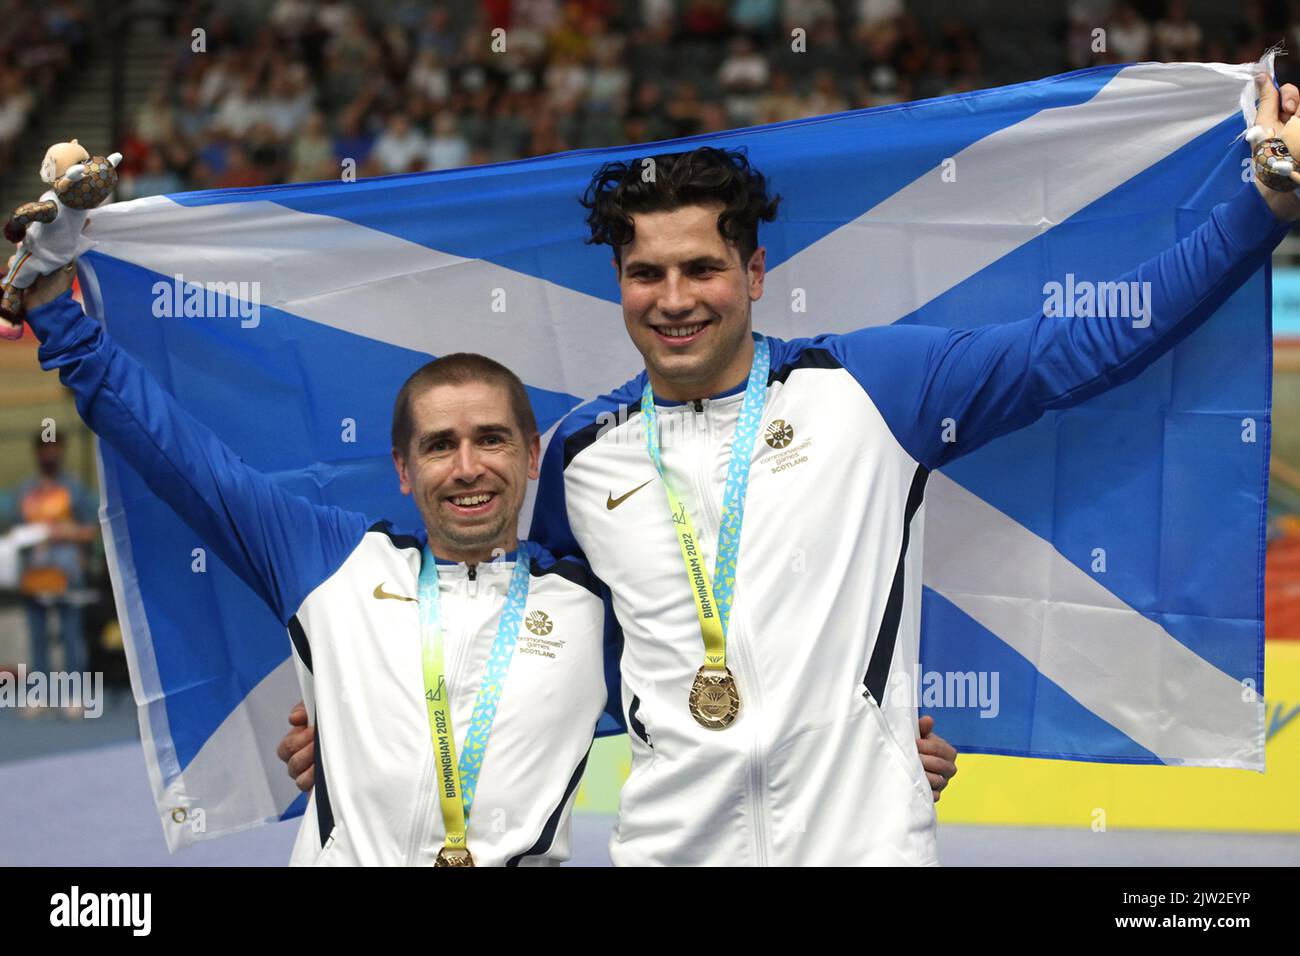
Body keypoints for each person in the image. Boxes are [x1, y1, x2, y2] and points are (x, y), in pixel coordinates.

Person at [282, 74, 1300, 865]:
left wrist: (1257, 205)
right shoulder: (584, 460)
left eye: (701, 268)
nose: (673, 297)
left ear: (755, 273)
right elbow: (529, 632)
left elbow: (1080, 346)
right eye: (647, 273)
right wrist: (384, 736)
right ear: (619, 284)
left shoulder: (875, 390)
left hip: (861, 844)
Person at [17, 264, 613, 866]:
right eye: (438, 445)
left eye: (491, 439)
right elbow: (179, 453)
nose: (466, 468)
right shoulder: (336, 563)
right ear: (403, 471)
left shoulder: (594, 603)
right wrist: (56, 314)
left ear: (532, 454)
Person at [6, 430, 97, 718]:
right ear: (36, 453)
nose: (49, 454)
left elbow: (90, 529)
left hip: (65, 572)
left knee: (71, 636)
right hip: (34, 573)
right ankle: (39, 693)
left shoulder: (75, 488)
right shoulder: (25, 489)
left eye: (54, 448)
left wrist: (67, 533)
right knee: (37, 637)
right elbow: (14, 529)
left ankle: (74, 694)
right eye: (44, 449)